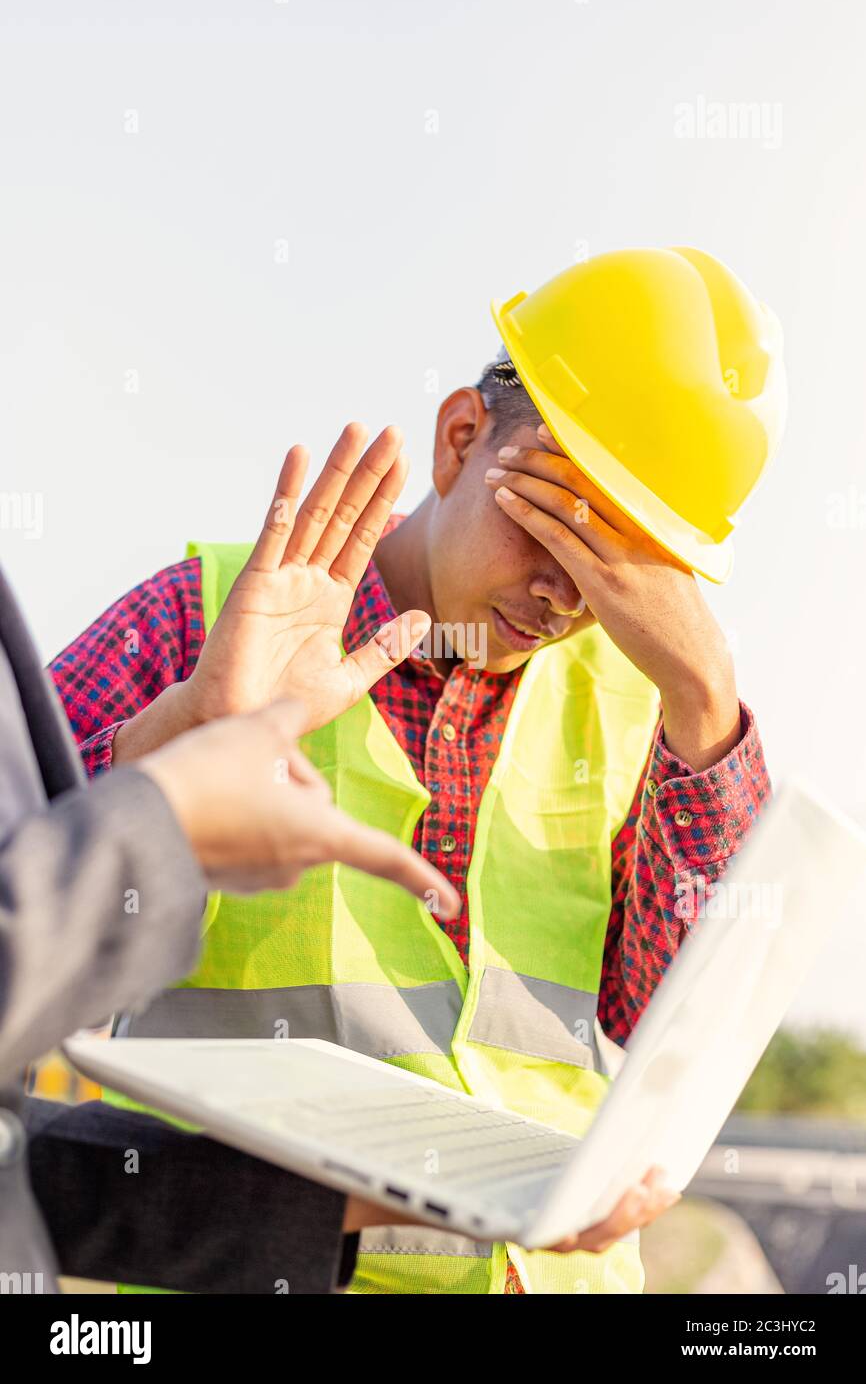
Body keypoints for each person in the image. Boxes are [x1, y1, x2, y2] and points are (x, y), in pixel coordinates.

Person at [50, 247, 783, 1294]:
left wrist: (706, 704)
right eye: (559, 528)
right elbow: (17, 923)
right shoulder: (208, 623)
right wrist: (184, 740)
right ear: (459, 440)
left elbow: (675, 1042)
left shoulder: (646, 723)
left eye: (622, 566)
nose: (564, 597)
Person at [0, 555, 462, 1294]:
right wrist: (163, 820)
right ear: (461, 438)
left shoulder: (623, 699)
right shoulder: (188, 609)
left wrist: (324, 1206)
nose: (566, 586)